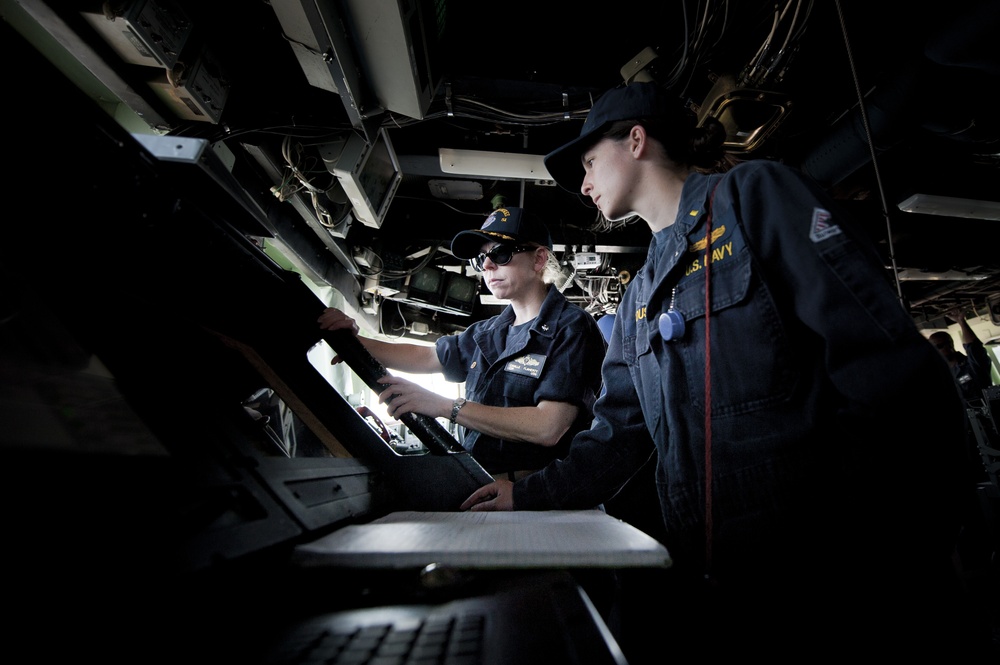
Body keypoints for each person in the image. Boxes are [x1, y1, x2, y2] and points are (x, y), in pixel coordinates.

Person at [460, 82, 991, 659]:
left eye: (589, 163)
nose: (584, 185)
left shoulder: (754, 199)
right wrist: (525, 496)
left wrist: (921, 545)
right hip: (725, 582)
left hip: (839, 575)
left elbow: (889, 370)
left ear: (636, 140)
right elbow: (615, 439)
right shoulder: (638, 297)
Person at [317, 207, 607, 480]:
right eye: (481, 259)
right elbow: (426, 357)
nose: (487, 265)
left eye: (501, 253)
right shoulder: (487, 332)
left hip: (538, 496)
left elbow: (548, 427)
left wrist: (446, 406)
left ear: (539, 259)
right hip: (481, 485)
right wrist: (352, 339)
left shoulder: (572, 328)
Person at [929, 307, 994, 404]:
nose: (936, 352)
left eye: (939, 346)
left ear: (950, 344)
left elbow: (974, 348)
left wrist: (961, 322)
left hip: (986, 410)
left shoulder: (972, 364)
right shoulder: (941, 375)